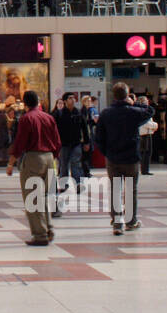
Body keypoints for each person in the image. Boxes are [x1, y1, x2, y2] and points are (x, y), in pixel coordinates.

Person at [95, 83, 153, 235]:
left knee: (115, 189)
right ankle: (130, 221)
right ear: (127, 95)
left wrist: (106, 152)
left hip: (113, 157)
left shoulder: (106, 113)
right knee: (130, 190)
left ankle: (117, 222)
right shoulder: (133, 112)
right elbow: (150, 111)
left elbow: (99, 137)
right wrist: (136, 103)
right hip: (131, 157)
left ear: (113, 95)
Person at [6, 91, 61, 245]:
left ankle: (40, 234)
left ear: (25, 103)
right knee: (43, 197)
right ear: (38, 102)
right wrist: (54, 156)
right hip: (49, 158)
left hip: (33, 158)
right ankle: (48, 228)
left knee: (32, 198)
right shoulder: (49, 117)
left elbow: (20, 144)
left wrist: (11, 163)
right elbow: (57, 141)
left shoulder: (26, 119)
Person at [54, 92, 86, 194]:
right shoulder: (59, 114)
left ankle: (78, 184)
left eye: (73, 98)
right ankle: (63, 184)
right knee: (64, 165)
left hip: (76, 143)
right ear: (65, 101)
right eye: (70, 98)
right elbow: (55, 130)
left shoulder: (78, 113)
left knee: (76, 163)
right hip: (63, 144)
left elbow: (84, 128)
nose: (73, 100)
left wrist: (87, 142)